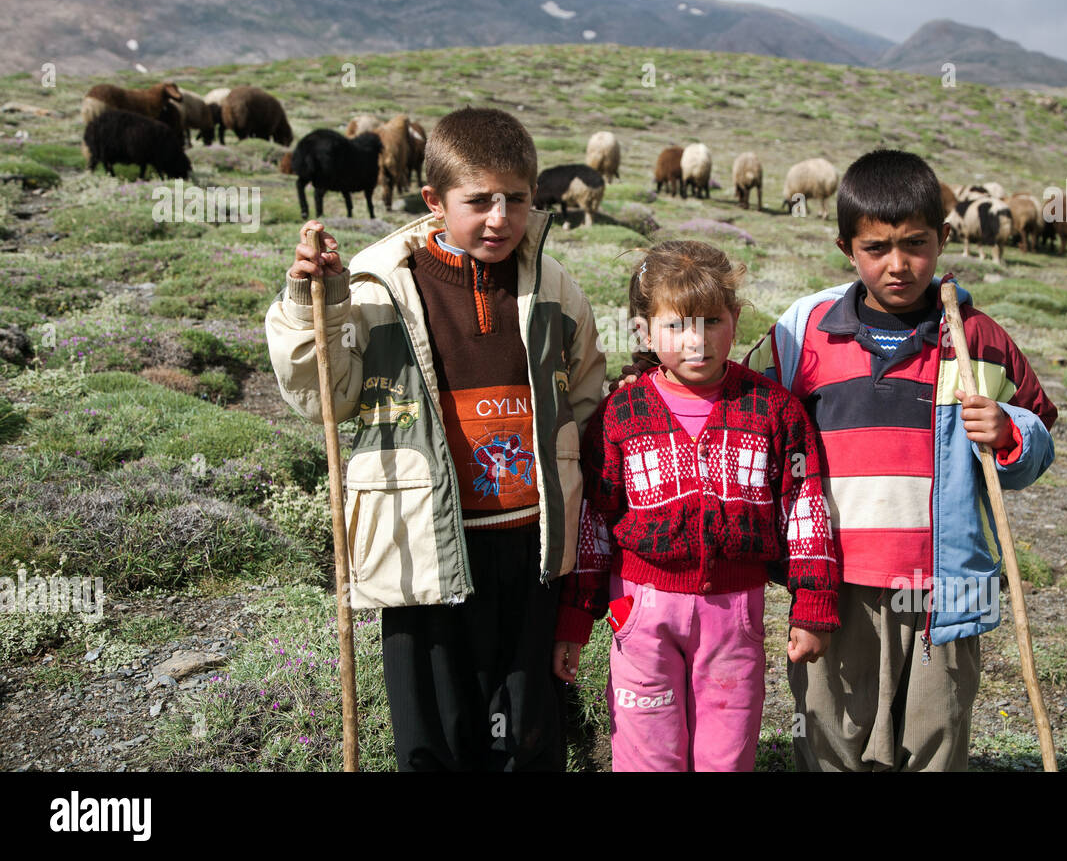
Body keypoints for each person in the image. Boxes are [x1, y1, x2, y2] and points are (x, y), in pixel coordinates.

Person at [265, 107, 606, 771]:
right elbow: (322, 395)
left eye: (516, 198)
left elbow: (583, 399)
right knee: (436, 742)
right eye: (478, 201)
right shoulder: (374, 283)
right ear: (434, 200)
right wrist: (313, 303)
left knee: (527, 739)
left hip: (531, 549)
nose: (501, 217)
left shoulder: (556, 289)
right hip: (422, 551)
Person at [745, 149, 1057, 771]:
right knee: (832, 725)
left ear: (944, 238)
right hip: (833, 578)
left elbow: (1038, 430)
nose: (897, 265)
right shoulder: (804, 330)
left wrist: (1008, 432)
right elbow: (749, 411)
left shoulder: (977, 338)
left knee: (935, 731)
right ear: (845, 247)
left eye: (915, 244)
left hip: (944, 583)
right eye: (876, 248)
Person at [552, 240, 840, 771]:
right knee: (646, 753)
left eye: (712, 322)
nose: (696, 342)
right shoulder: (623, 412)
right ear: (643, 329)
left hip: (735, 616)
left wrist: (813, 604)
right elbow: (594, 519)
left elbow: (806, 511)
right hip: (641, 614)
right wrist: (575, 617)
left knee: (725, 754)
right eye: (676, 325)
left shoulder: (772, 410)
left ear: (735, 317)